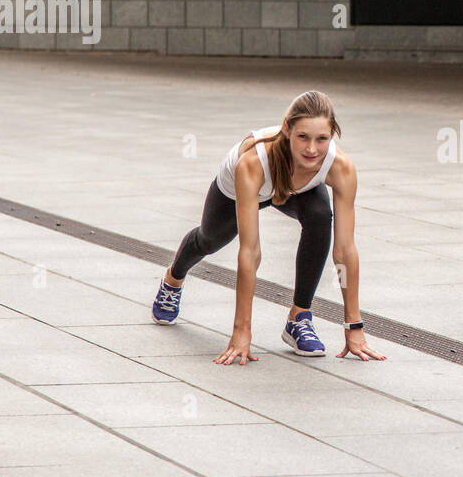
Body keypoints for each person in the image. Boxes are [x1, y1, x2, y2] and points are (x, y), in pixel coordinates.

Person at [151, 90, 385, 365]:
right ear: (287, 129)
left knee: (321, 216)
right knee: (209, 239)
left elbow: (345, 250)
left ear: (333, 134)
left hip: (299, 189)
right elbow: (250, 251)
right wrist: (241, 332)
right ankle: (173, 279)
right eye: (303, 137)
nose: (311, 149)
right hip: (242, 189)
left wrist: (354, 327)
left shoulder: (341, 167)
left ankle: (299, 318)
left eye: (321, 139)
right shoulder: (252, 162)